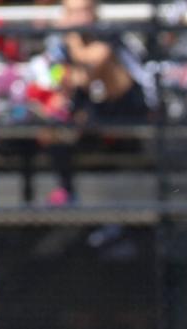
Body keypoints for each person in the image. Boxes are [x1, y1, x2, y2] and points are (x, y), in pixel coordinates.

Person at [42, 0, 157, 203]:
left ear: (93, 12)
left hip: (132, 104)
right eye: (71, 12)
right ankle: (66, 189)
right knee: (51, 123)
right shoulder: (61, 44)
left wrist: (71, 37)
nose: (77, 18)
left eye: (82, 11)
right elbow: (59, 77)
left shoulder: (106, 33)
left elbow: (88, 72)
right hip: (94, 107)